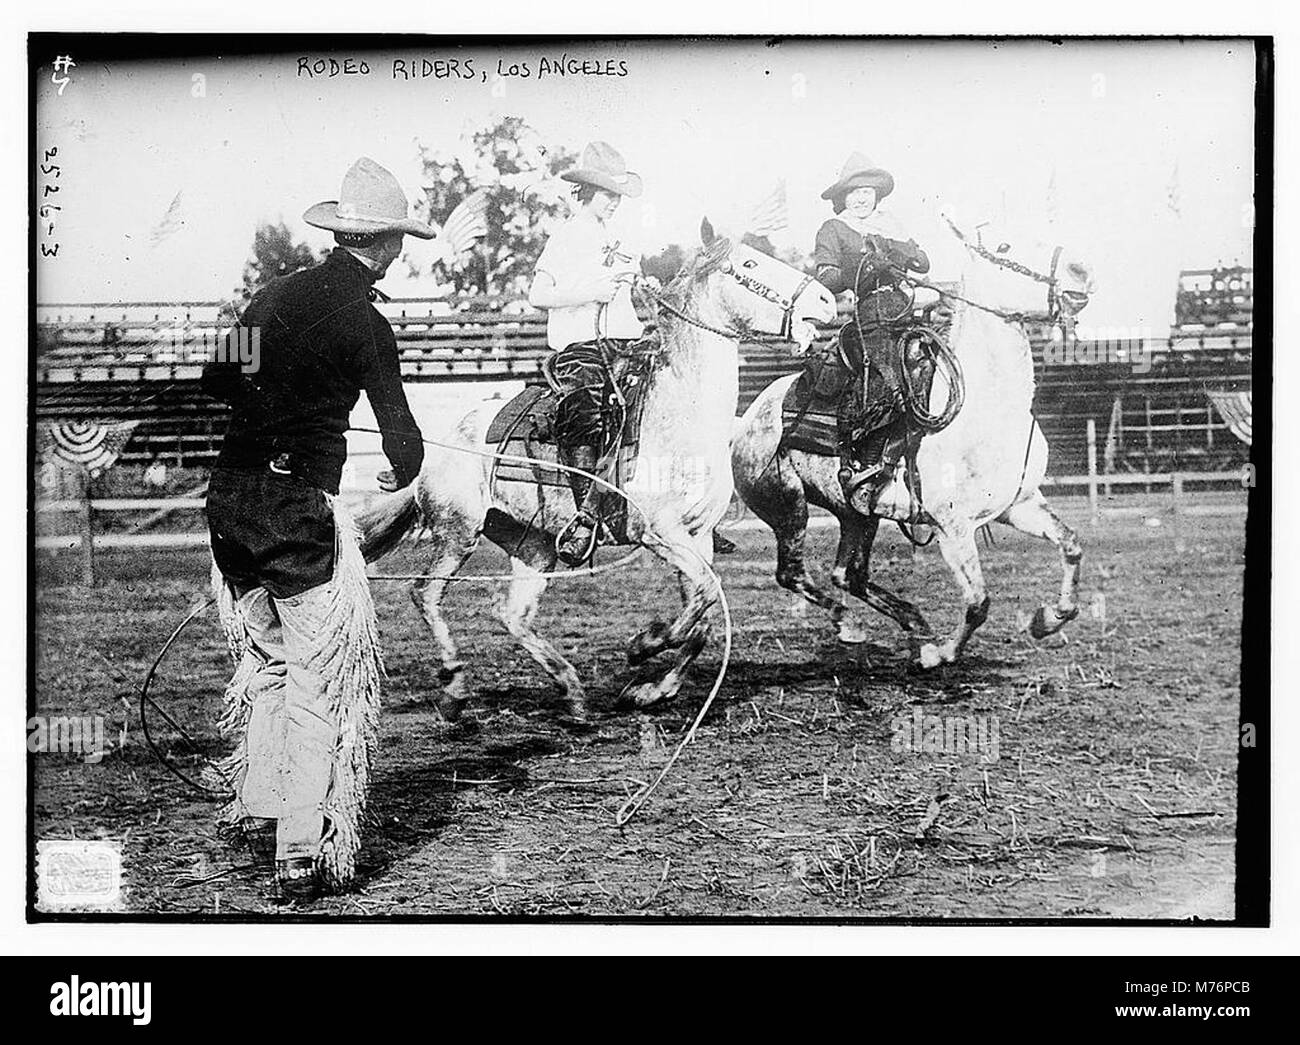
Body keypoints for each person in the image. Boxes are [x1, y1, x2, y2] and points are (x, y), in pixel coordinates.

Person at [202, 157, 429, 901]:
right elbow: (405, 445)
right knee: (315, 681)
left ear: (339, 232)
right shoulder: (367, 325)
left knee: (268, 663)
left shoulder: (271, 297)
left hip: (230, 506)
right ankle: (300, 849)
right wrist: (396, 474)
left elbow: (216, 378)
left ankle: (263, 804)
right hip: (297, 512)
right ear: (389, 244)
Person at [527, 141, 644, 565]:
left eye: (616, 195)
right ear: (585, 192)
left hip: (624, 344)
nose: (613, 203)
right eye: (606, 194)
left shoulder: (619, 237)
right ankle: (584, 519)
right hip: (580, 349)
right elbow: (537, 294)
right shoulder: (568, 233)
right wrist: (590, 292)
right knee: (585, 412)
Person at [812, 153, 933, 506]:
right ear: (843, 197)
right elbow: (826, 276)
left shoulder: (891, 224)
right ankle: (869, 461)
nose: (862, 198)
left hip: (908, 307)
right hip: (871, 313)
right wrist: (864, 268)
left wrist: (899, 247)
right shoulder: (833, 229)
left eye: (867, 191)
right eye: (854, 192)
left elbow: (923, 262)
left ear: (877, 194)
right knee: (892, 382)